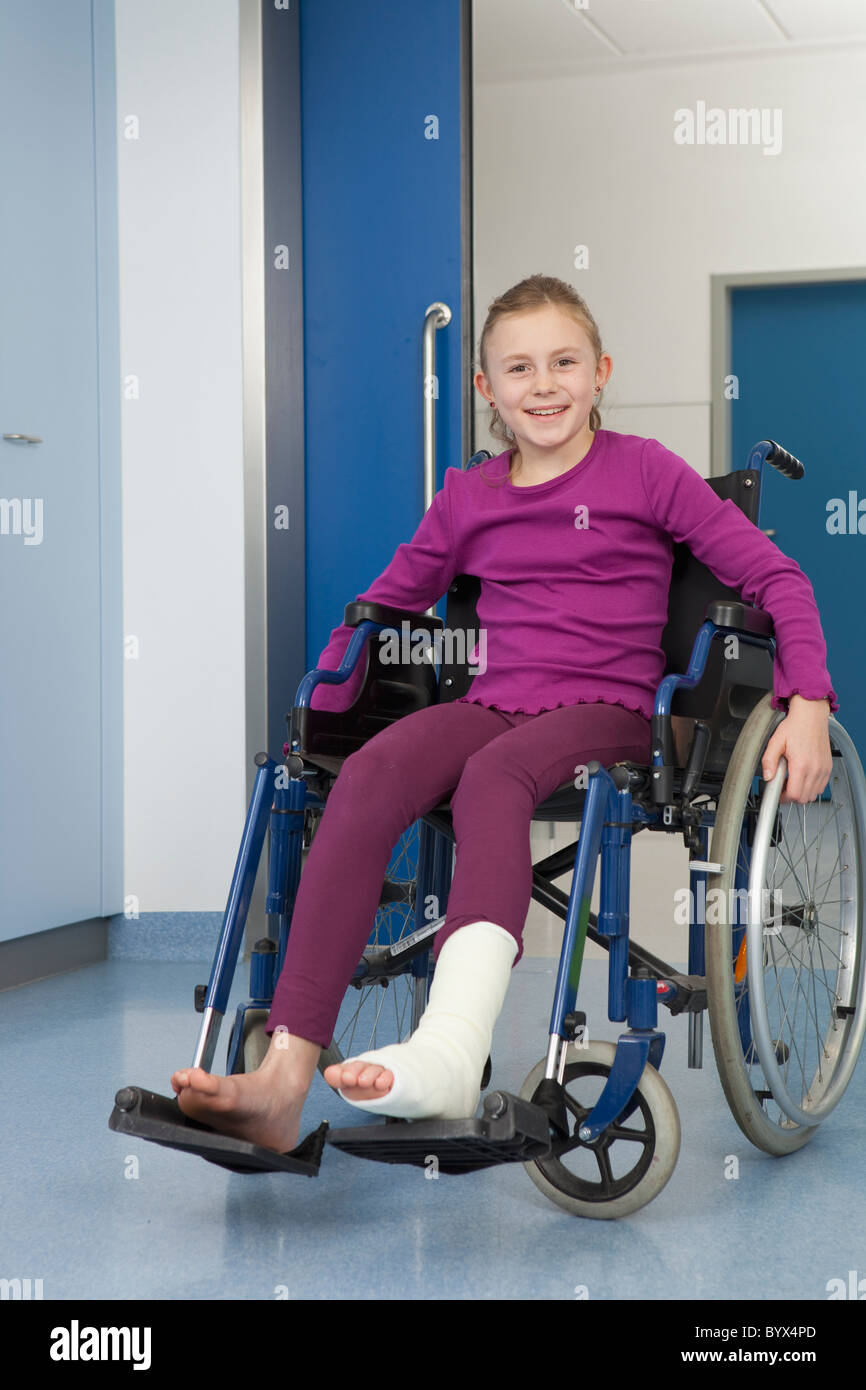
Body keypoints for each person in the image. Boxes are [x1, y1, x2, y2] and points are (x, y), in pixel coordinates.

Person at [169, 273, 837, 1155]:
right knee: (366, 777)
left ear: (600, 372)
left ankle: (450, 1053)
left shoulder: (648, 472)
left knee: (493, 778)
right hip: (493, 702)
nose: (544, 383)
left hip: (613, 708)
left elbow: (776, 579)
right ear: (486, 389)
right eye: (518, 368)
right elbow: (384, 605)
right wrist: (327, 705)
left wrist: (809, 701)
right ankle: (282, 1081)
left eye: (564, 361)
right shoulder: (469, 496)